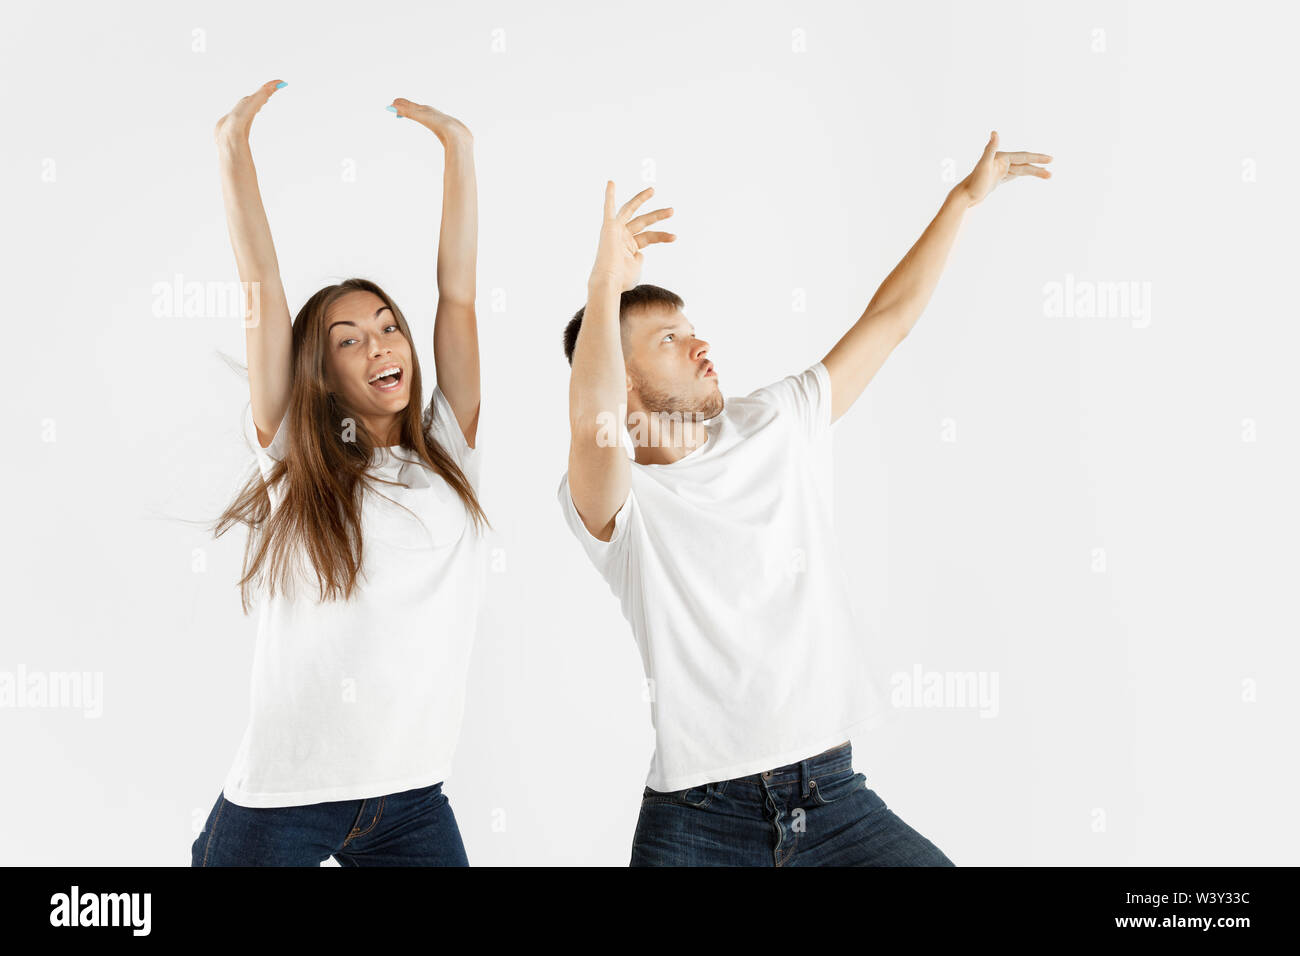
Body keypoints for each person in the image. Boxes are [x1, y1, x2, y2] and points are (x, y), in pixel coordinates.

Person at [557, 132, 1051, 866]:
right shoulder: (621, 505)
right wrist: (604, 289)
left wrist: (961, 201)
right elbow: (593, 426)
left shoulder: (773, 422)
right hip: (697, 823)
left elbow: (888, 321)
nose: (701, 347)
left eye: (694, 331)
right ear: (624, 382)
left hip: (832, 800)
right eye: (669, 340)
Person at [192, 80, 487, 866]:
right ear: (319, 370)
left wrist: (459, 149)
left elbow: (455, 295)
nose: (381, 344)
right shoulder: (297, 458)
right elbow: (260, 283)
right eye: (349, 339)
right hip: (283, 800)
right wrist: (232, 149)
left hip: (412, 798)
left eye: (388, 326)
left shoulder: (448, 456)